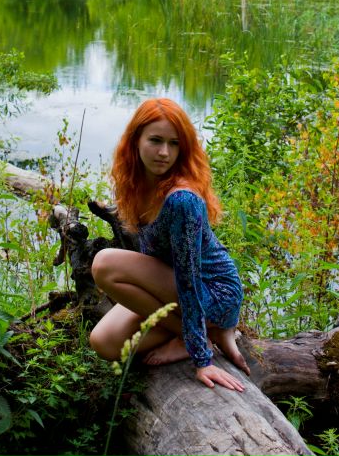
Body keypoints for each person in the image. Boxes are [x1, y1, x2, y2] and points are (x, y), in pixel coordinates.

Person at [89, 98, 250, 391]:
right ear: (135, 140)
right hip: (169, 285)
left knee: (104, 264)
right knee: (104, 342)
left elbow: (189, 279)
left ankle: (196, 340)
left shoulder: (181, 200)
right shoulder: (139, 184)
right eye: (156, 140)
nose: (164, 152)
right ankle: (208, 334)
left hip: (213, 292)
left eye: (174, 143)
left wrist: (202, 360)